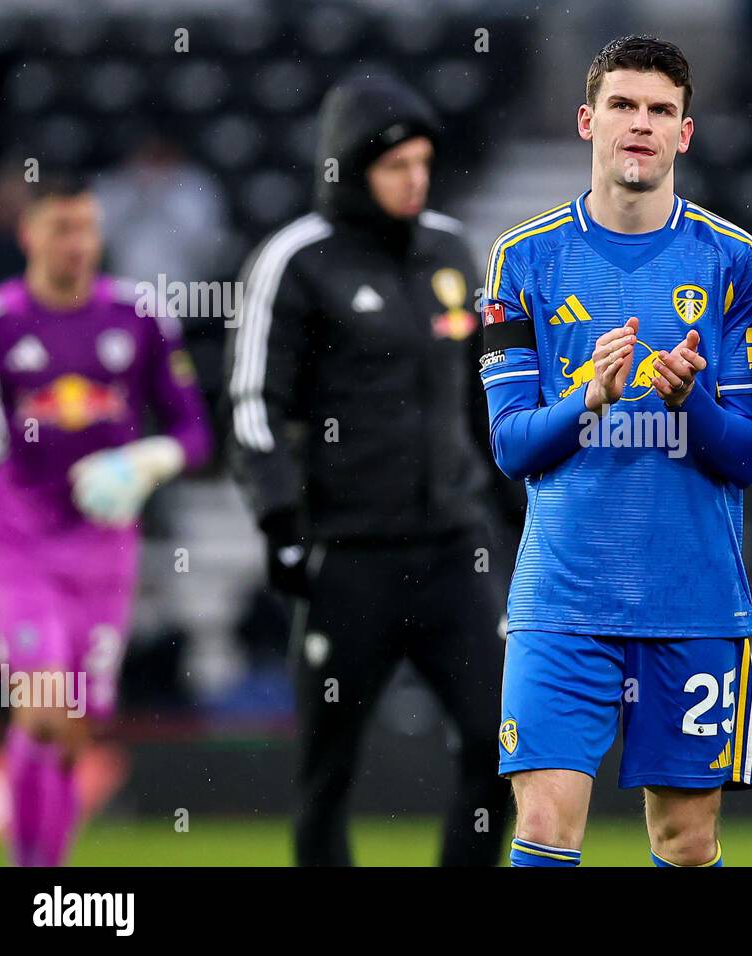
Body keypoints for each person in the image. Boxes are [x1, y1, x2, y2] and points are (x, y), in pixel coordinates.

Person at [478, 35, 752, 867]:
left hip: (695, 598)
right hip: (562, 599)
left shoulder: (737, 263)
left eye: (660, 111)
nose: (640, 125)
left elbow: (749, 455)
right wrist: (588, 399)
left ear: (685, 133)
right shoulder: (520, 260)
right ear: (587, 120)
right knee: (541, 828)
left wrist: (694, 404)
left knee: (686, 838)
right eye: (623, 105)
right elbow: (511, 447)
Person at [227, 73, 510, 867]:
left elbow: (486, 400)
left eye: (423, 163)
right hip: (348, 560)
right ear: (347, 169)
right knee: (328, 772)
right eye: (394, 167)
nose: (415, 180)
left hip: (456, 552)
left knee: (500, 746)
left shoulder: (454, 250)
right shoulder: (295, 261)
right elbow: (253, 405)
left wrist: (517, 512)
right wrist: (281, 524)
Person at [0, 172, 212, 866]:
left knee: (74, 728)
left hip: (105, 555)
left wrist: (146, 463)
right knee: (46, 707)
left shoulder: (136, 317)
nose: (77, 244)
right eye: (61, 229)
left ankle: (46, 873)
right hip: (18, 545)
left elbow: (195, 429)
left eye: (86, 228)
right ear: (29, 234)